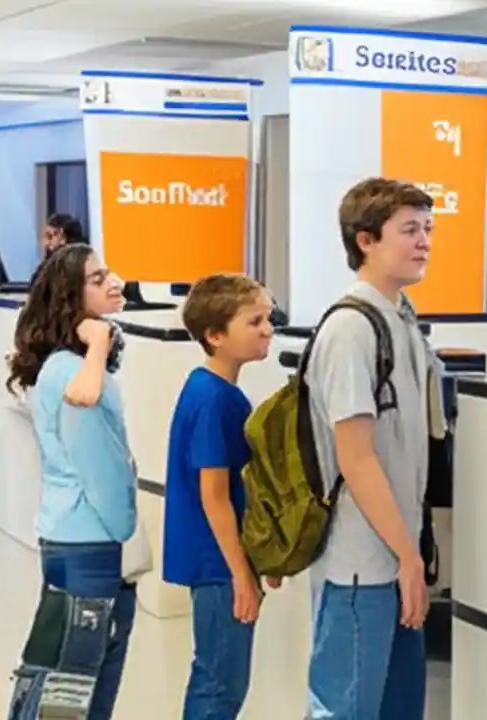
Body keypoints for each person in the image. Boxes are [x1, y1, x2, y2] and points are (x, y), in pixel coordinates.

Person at [305, 178, 445, 719]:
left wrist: (411, 556)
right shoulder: (350, 330)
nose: (424, 242)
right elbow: (355, 456)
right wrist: (408, 557)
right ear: (365, 240)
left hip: (398, 558)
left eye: (428, 229)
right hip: (361, 565)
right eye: (408, 230)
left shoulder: (403, 322)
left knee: (397, 707)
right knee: (346, 709)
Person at [4, 244, 136, 720]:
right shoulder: (72, 370)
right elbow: (99, 465)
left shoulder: (61, 366)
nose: (114, 281)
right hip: (89, 544)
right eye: (98, 278)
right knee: (70, 686)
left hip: (74, 539)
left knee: (66, 673)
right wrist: (124, 525)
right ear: (71, 297)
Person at [163, 274, 276, 719]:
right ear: (215, 335)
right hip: (217, 564)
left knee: (218, 675)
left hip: (218, 560)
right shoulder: (213, 400)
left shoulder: (216, 391)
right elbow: (215, 496)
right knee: (221, 683)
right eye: (254, 321)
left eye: (268, 319)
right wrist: (241, 575)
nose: (267, 329)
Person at [29, 213, 87, 287]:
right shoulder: (44, 270)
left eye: (50, 237)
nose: (45, 244)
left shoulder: (75, 270)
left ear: (62, 238)